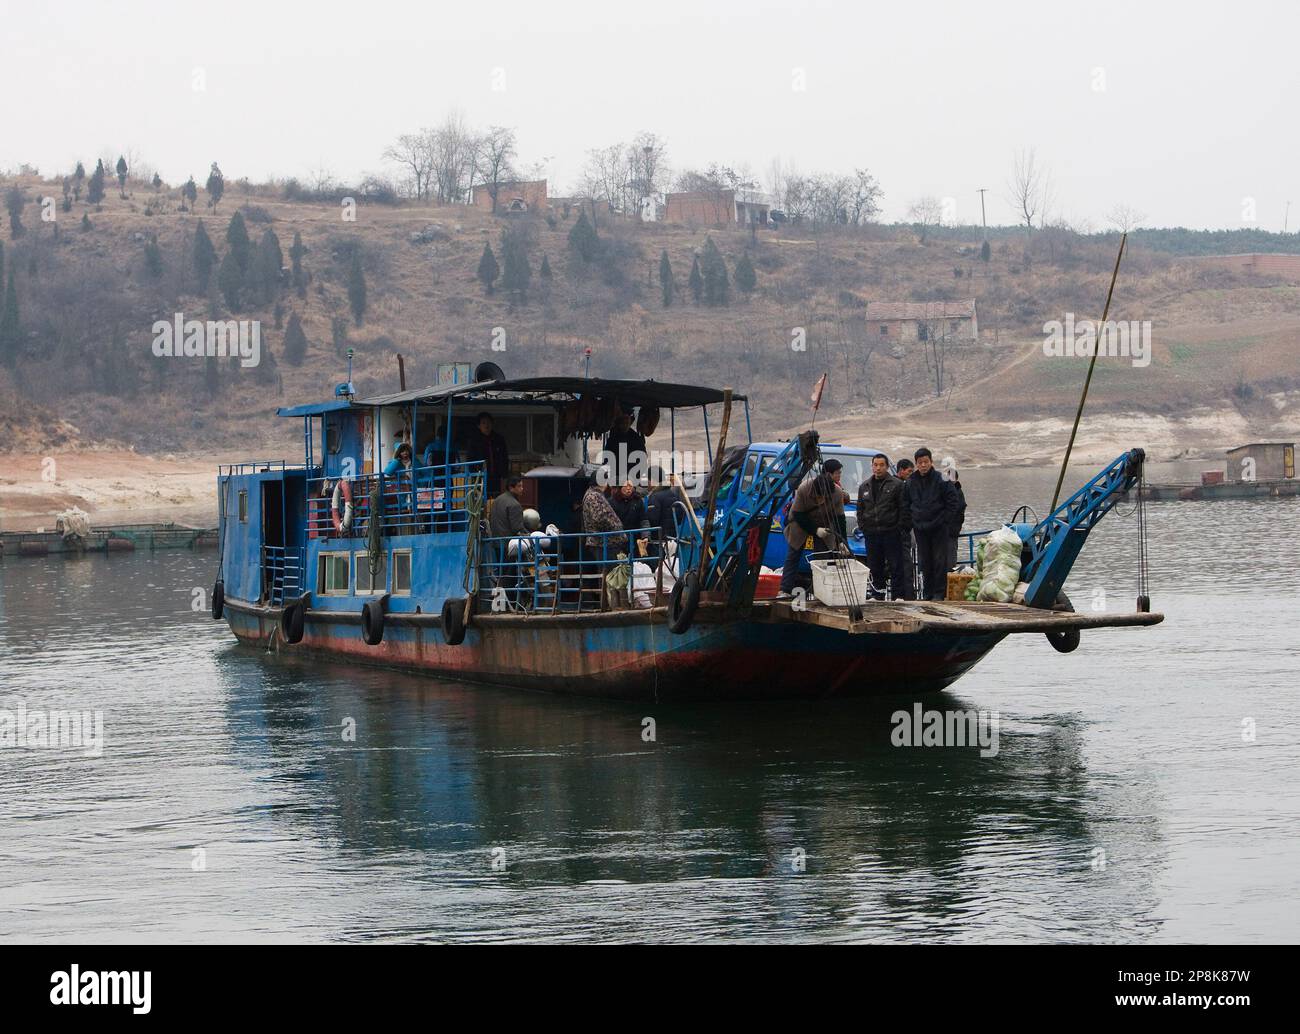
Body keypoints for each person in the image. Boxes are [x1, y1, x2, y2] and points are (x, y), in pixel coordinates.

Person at [779, 458, 849, 597]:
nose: (821, 499)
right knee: (793, 554)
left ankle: (820, 592)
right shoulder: (805, 488)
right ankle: (785, 589)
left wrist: (842, 542)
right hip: (801, 523)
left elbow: (840, 519)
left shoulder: (837, 492)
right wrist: (815, 530)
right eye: (818, 497)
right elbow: (797, 514)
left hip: (824, 524)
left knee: (823, 558)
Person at [903, 448, 958, 601]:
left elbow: (953, 502)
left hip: (939, 527)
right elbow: (905, 503)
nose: (923, 465)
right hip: (920, 528)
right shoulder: (910, 481)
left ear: (931, 462)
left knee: (940, 561)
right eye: (920, 463)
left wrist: (945, 520)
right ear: (916, 464)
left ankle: (939, 594)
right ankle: (927, 593)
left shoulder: (942, 479)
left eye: (926, 462)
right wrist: (911, 521)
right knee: (925, 561)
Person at [856, 454, 912, 602]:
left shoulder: (897, 484)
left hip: (892, 532)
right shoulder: (864, 486)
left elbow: (904, 508)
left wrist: (900, 528)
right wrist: (863, 527)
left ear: (887, 467)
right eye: (875, 464)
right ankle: (877, 594)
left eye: (881, 465)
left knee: (896, 565)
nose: (878, 468)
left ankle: (898, 595)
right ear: (872, 466)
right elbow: (860, 510)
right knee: (875, 566)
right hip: (871, 533)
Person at [581, 481, 628, 561]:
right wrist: (616, 527)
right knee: (610, 570)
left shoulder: (595, 494)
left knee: (610, 570)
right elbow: (599, 518)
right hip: (603, 542)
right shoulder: (594, 496)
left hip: (604, 542)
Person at [465, 412, 510, 495]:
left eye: (488, 422)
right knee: (481, 500)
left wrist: (504, 475)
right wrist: (474, 475)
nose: (486, 425)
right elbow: (470, 460)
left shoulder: (499, 439)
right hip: (480, 477)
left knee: (497, 499)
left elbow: (504, 458)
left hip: (497, 476)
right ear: (479, 426)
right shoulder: (474, 441)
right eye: (483, 423)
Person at [603, 411, 648, 484]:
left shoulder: (636, 438)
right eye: (623, 423)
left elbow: (643, 457)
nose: (625, 425)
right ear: (619, 424)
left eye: (627, 422)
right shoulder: (613, 438)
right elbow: (606, 457)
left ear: (630, 422)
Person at [946, 469, 968, 570]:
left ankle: (949, 578)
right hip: (945, 530)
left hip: (951, 530)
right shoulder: (948, 491)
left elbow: (957, 512)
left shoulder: (957, 492)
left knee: (950, 557)